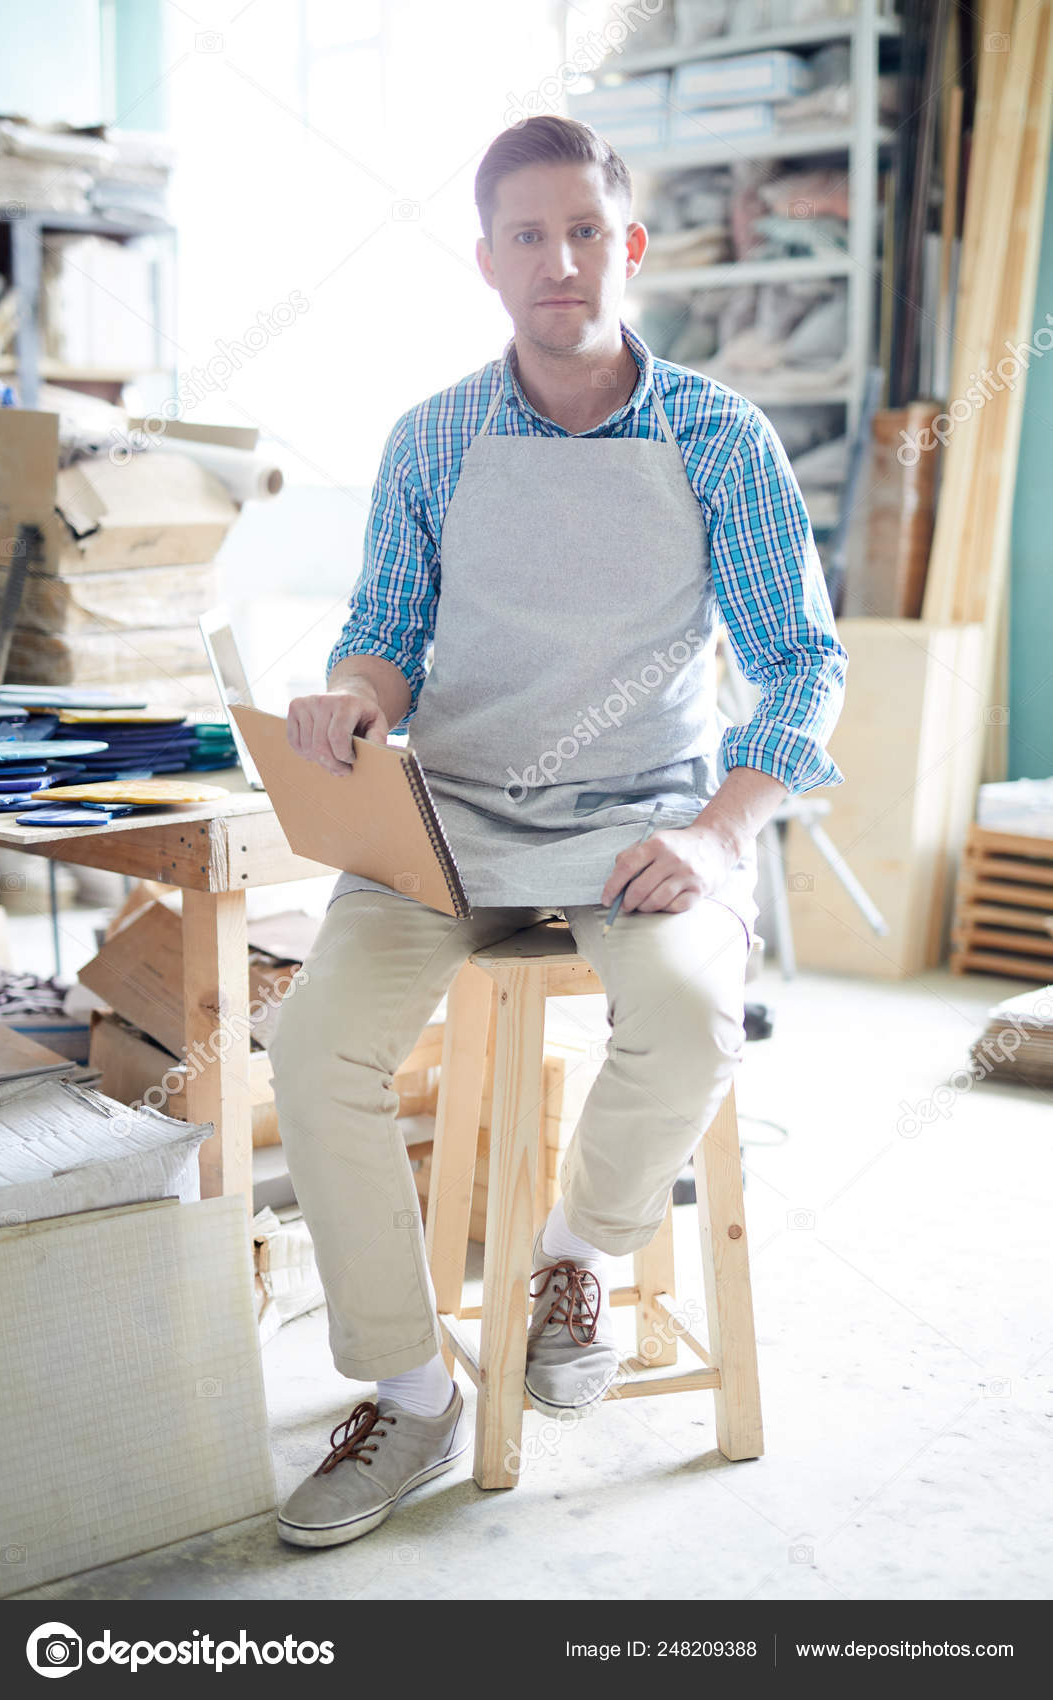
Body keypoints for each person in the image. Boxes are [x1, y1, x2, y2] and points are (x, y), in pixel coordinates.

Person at [268, 114, 847, 1549]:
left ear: (628, 245)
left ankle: (574, 1256)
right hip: (452, 817)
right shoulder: (433, 436)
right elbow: (384, 637)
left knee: (694, 1011)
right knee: (313, 1041)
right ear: (487, 260)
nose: (560, 260)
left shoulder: (718, 435)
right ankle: (412, 1395)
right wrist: (352, 699)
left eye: (586, 230)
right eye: (528, 235)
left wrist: (719, 836)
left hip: (648, 821)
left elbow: (803, 664)